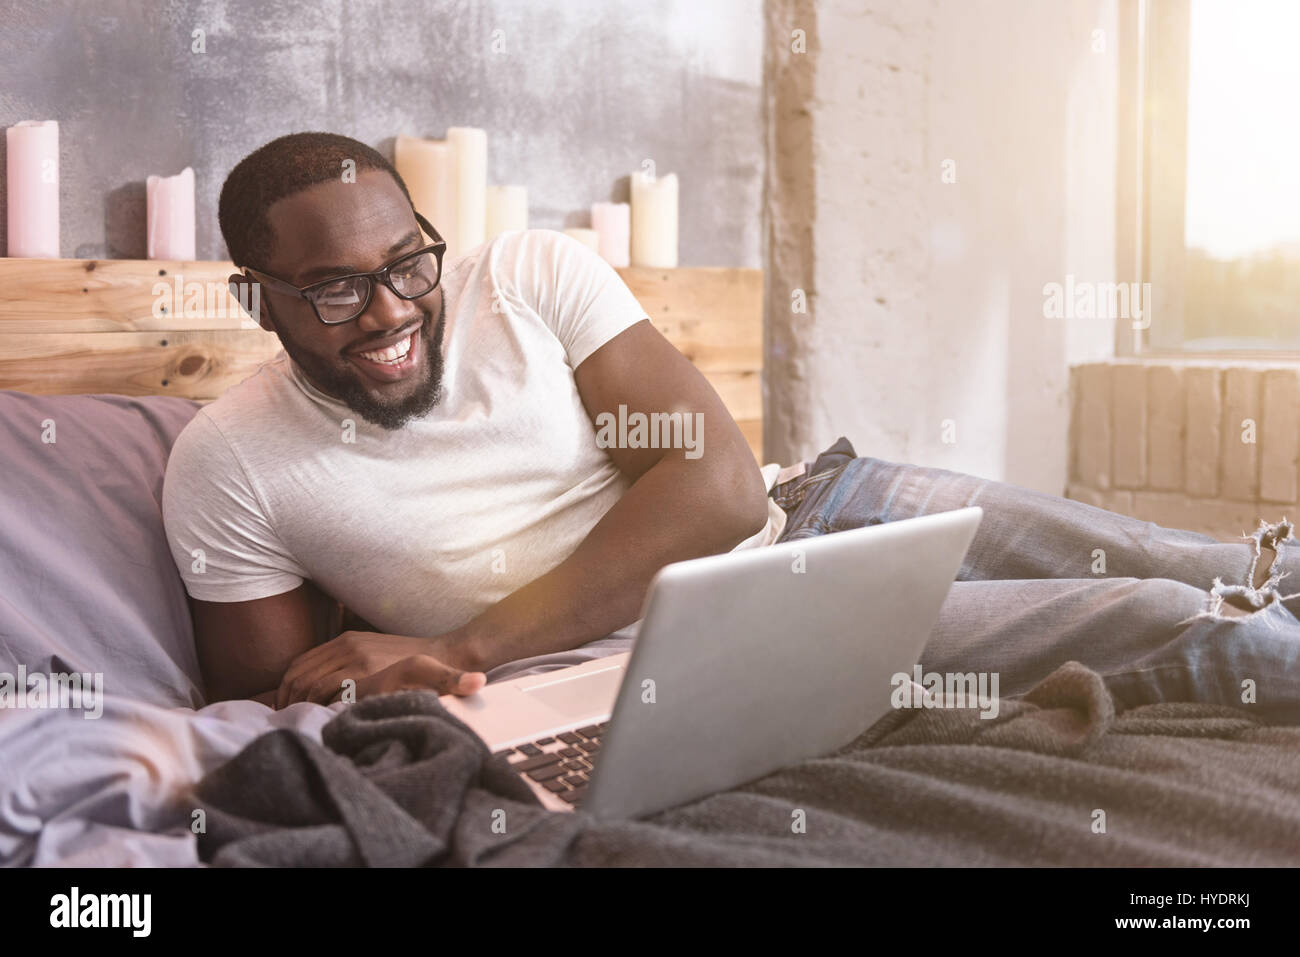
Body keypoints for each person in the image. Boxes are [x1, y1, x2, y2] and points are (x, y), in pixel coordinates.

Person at [164, 132, 1299, 724]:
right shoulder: (230, 463)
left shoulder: (530, 275)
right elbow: (266, 703)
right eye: (333, 290)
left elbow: (712, 490)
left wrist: (464, 647)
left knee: (1224, 562)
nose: (395, 310)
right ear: (254, 296)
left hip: (821, 504)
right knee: (1185, 621)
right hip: (717, 637)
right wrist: (406, 682)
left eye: (410, 263)